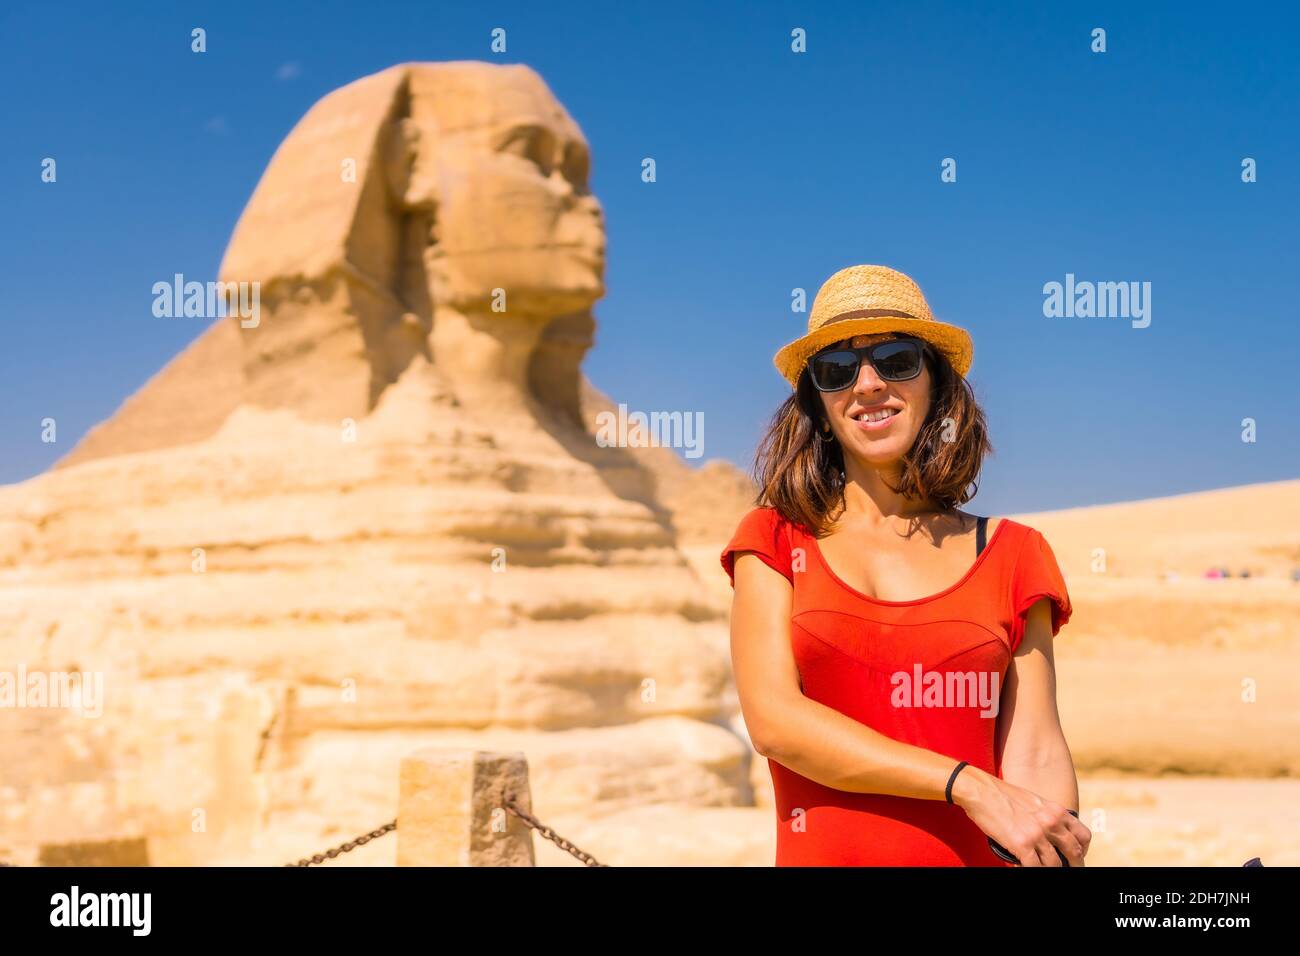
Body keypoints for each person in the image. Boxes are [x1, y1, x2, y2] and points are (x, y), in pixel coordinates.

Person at [721, 264, 1090, 867]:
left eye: (896, 359)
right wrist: (967, 784)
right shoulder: (772, 539)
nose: (868, 384)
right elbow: (775, 723)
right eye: (837, 369)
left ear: (937, 382)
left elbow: (1038, 752)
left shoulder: (1016, 553)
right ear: (818, 399)